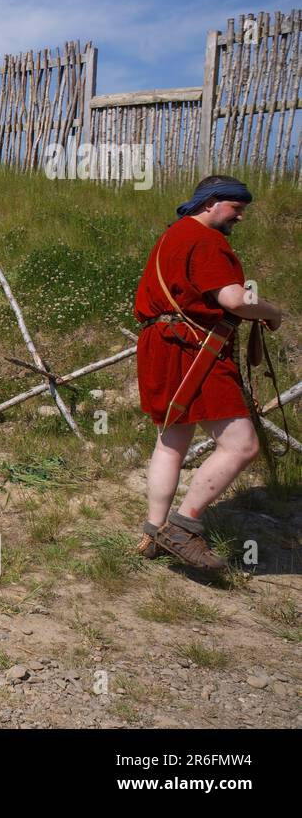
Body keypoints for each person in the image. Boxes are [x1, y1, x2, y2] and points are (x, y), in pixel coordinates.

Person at [133, 175, 284, 571]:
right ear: (211, 203)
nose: (240, 216)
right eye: (236, 208)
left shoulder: (173, 236)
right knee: (242, 445)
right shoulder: (206, 240)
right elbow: (234, 298)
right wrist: (272, 311)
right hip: (194, 348)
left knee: (171, 443)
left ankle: (153, 532)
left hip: (160, 345)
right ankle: (183, 527)